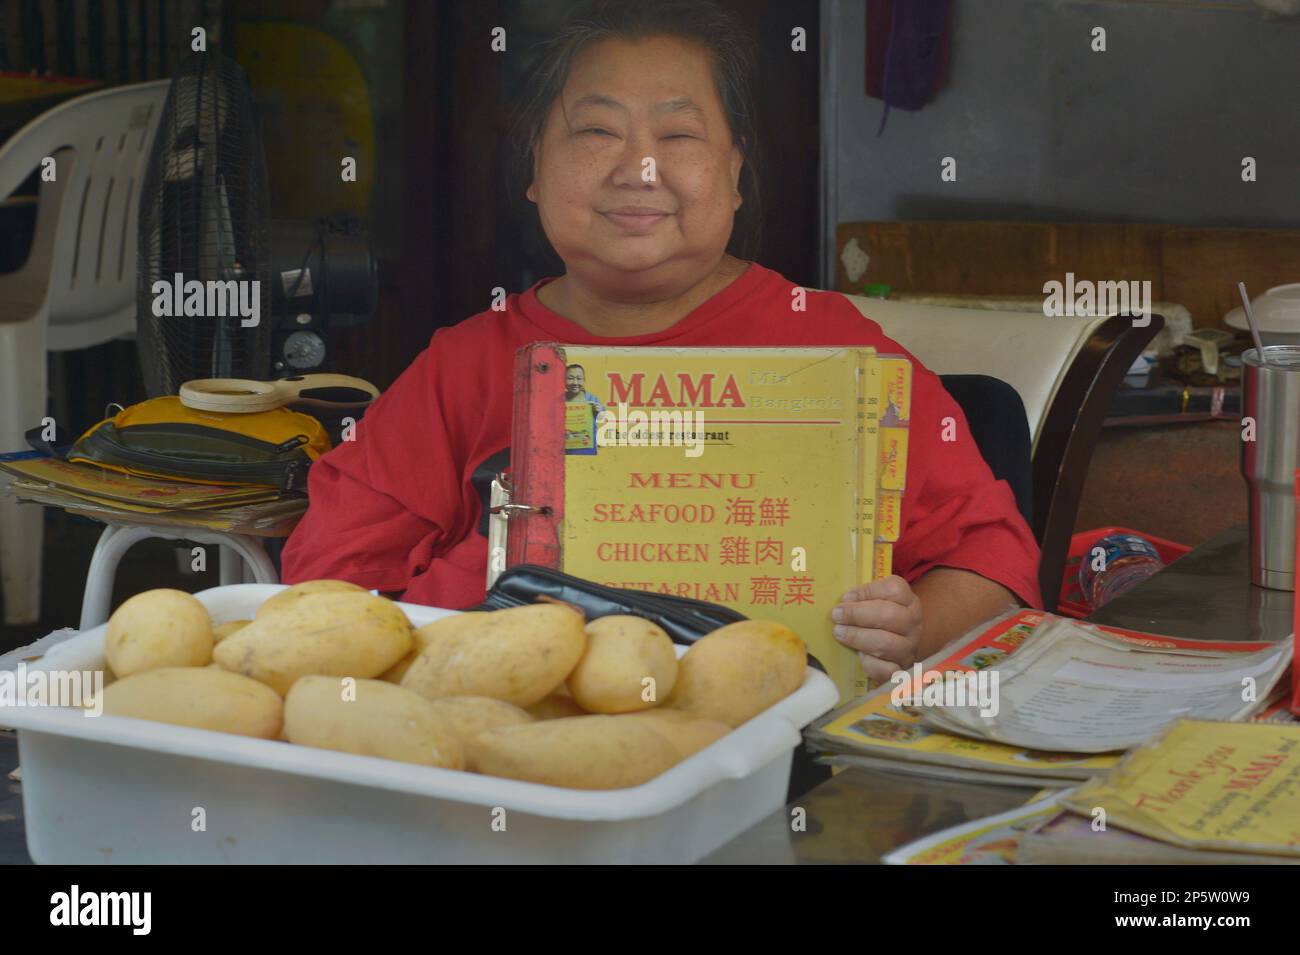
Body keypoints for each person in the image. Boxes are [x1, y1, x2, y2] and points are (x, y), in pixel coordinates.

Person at [281, 0, 1042, 683]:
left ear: (735, 171)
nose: (639, 169)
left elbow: (996, 568)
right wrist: (508, 571)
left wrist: (911, 632)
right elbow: (326, 588)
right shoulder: (465, 363)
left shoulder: (832, 351)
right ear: (535, 171)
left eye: (678, 133)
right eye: (597, 131)